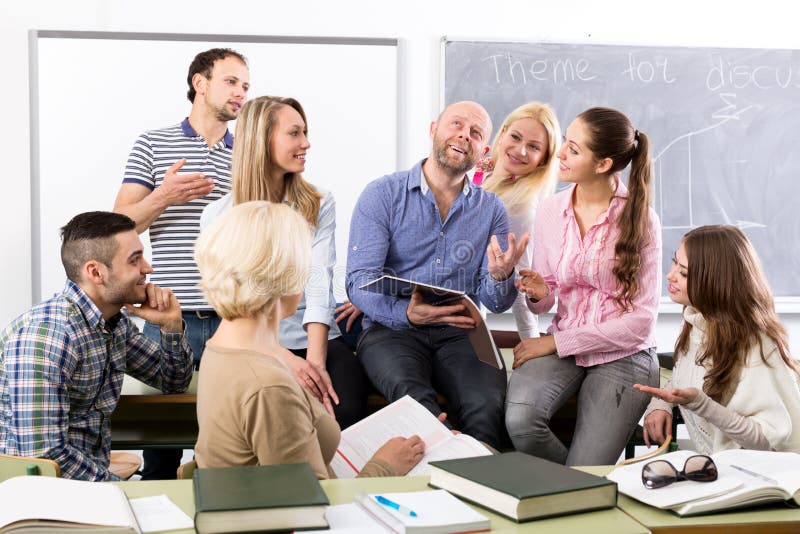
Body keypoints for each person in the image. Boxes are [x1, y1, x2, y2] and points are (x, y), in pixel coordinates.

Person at [194, 201, 425, 477]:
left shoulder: (223, 348)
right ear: (282, 274)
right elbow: (312, 511)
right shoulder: (268, 386)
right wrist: (386, 465)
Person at [346, 100, 527, 450]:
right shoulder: (382, 194)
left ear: (484, 151)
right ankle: (433, 494)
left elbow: (495, 302)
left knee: (486, 407)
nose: (464, 135)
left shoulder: (491, 210)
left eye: (476, 133)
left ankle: (478, 494)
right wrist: (405, 313)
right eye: (455, 124)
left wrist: (501, 276)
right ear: (433, 130)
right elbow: (359, 282)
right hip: (392, 330)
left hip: (461, 331)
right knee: (415, 405)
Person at [112, 47, 249, 479]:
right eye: (231, 82)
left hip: (234, 317)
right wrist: (163, 196)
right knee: (161, 449)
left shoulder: (248, 150)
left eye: (246, 86)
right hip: (169, 316)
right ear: (199, 83)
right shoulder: (153, 144)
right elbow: (117, 224)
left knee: (229, 441)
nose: (240, 93)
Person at [506, 107, 662, 466]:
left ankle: (580, 491)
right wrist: (539, 294)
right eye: (565, 144)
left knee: (588, 469)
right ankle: (577, 491)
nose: (558, 153)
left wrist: (556, 342)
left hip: (625, 355)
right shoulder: (550, 210)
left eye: (573, 150)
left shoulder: (641, 220)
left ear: (603, 164)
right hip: (564, 347)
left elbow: (640, 323)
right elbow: (546, 296)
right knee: (520, 421)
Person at [201, 96, 368, 428]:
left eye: (305, 132)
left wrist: (316, 366)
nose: (306, 143)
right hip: (253, 345)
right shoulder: (218, 215)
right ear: (262, 140)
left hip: (315, 338)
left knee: (342, 408)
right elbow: (229, 305)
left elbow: (319, 283)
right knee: (278, 414)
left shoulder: (319, 202)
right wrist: (283, 358)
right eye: (294, 133)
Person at [0, 211, 193, 480]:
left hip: (85, 483)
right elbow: (43, 457)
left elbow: (173, 382)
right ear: (96, 272)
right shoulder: (47, 338)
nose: (148, 268)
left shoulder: (114, 323)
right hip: (38, 495)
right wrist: (124, 493)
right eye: (135, 260)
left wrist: (171, 327)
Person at [636, 225, 800, 454]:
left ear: (714, 281)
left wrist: (702, 405)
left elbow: (766, 440)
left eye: (683, 272)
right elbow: (688, 377)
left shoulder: (756, 345)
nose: (670, 275)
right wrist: (661, 404)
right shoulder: (698, 322)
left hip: (760, 478)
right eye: (675, 262)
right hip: (721, 467)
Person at [472, 101, 561, 339]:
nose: (520, 150)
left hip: (469, 318)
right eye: (515, 137)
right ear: (502, 135)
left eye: (533, 146)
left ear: (543, 159)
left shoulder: (521, 207)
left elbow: (521, 278)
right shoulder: (477, 171)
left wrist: (530, 340)